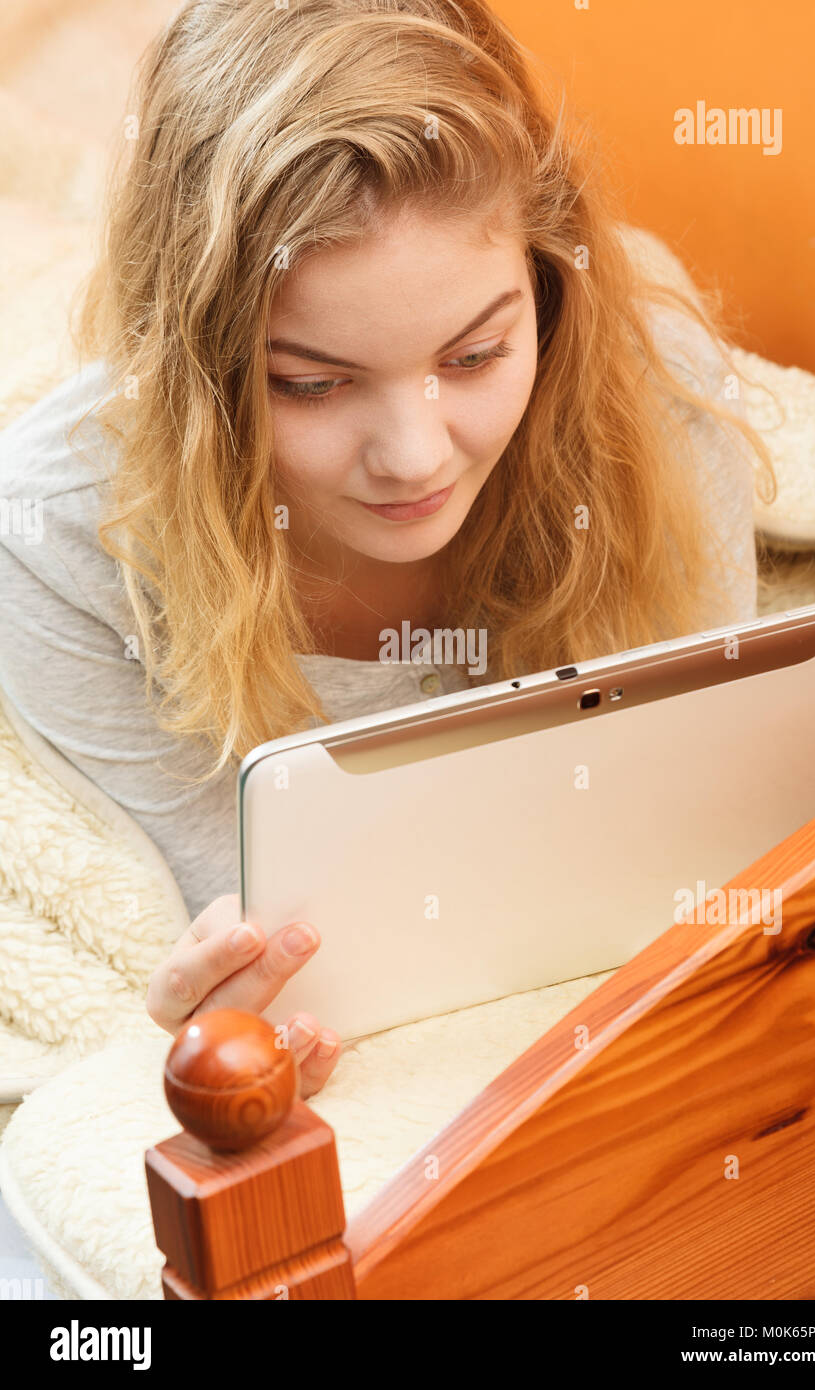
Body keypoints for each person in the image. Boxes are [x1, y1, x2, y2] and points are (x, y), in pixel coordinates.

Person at [0, 0, 774, 1098]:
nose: (413, 459)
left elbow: (705, 815)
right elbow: (259, 943)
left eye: (473, 354)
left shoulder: (659, 405)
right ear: (194, 367)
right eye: (309, 383)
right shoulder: (61, 544)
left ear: (545, 287)